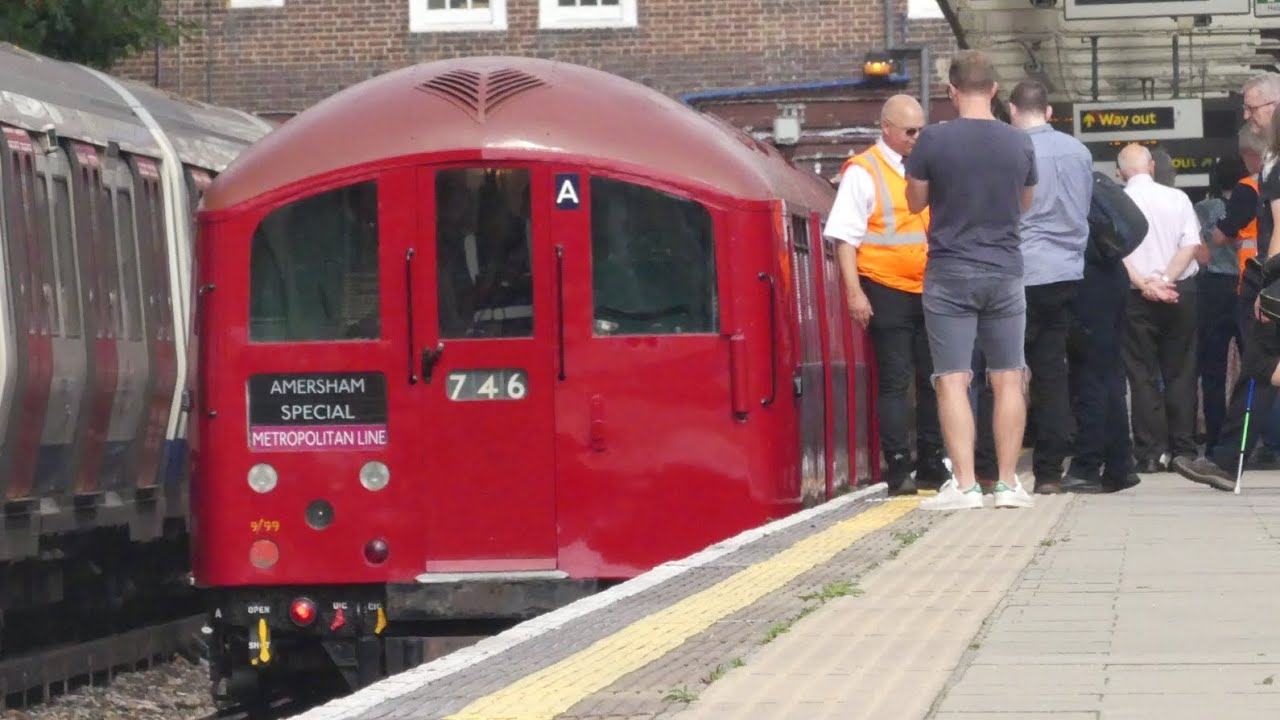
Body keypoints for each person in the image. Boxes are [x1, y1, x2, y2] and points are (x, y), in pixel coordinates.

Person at [904, 50, 1038, 511]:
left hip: (950, 273)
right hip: (1004, 271)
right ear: (996, 90)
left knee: (954, 379)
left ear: (951, 91)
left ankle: (963, 486)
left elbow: (915, 202)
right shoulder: (1019, 142)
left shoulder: (932, 141)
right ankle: (1006, 485)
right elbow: (1025, 202)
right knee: (1008, 377)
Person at [824, 95, 946, 495]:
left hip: (928, 289)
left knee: (933, 380)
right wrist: (855, 293)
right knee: (895, 381)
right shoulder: (864, 172)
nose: (916, 138)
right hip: (885, 286)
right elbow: (845, 238)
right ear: (886, 129)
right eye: (909, 131)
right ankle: (898, 468)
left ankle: (932, 462)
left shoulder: (925, 168)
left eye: (921, 130)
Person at [1175, 73, 1280, 489]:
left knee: (1258, 363)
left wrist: (1269, 285)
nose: (1247, 115)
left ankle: (1225, 461)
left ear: (1275, 105)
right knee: (1256, 367)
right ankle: (1225, 461)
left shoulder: (1275, 164)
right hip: (1263, 278)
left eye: (1252, 107)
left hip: (1270, 279)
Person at [1001, 79, 1093, 494]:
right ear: (1051, 112)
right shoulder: (1080, 151)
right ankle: (1050, 474)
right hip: (1068, 274)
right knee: (1053, 372)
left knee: (1010, 373)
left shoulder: (1011, 149)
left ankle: (998, 469)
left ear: (1012, 111)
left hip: (1020, 274)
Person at [1113, 143, 1201, 474]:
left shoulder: (1118, 203)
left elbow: (1116, 254)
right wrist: (1166, 279)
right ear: (1151, 167)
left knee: (1141, 373)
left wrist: (1146, 284)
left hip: (1135, 296)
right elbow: (1191, 246)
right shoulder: (1177, 198)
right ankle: (1184, 450)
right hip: (1180, 293)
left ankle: (1150, 453)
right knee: (1181, 371)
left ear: (1120, 173)